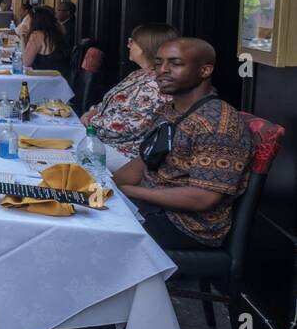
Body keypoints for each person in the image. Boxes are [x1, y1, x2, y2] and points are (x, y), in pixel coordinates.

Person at [113, 38, 253, 251]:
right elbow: (145, 161)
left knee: (85, 232)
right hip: (151, 206)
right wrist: (104, 186)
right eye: (159, 63)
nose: (163, 70)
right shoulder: (170, 110)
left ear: (205, 70)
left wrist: (128, 191)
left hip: (185, 226)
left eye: (175, 63)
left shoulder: (217, 124)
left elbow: (204, 197)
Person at [81, 23, 179, 156]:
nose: (128, 45)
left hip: (123, 153)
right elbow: (110, 104)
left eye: (132, 41)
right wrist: (92, 112)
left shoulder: (156, 85)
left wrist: (91, 123)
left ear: (146, 47)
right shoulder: (138, 74)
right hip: (103, 141)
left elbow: (128, 126)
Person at [21, 5, 69, 73]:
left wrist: (22, 37)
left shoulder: (37, 35)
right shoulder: (57, 32)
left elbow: (26, 63)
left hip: (45, 78)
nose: (26, 22)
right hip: (60, 76)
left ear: (35, 20)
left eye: (28, 19)